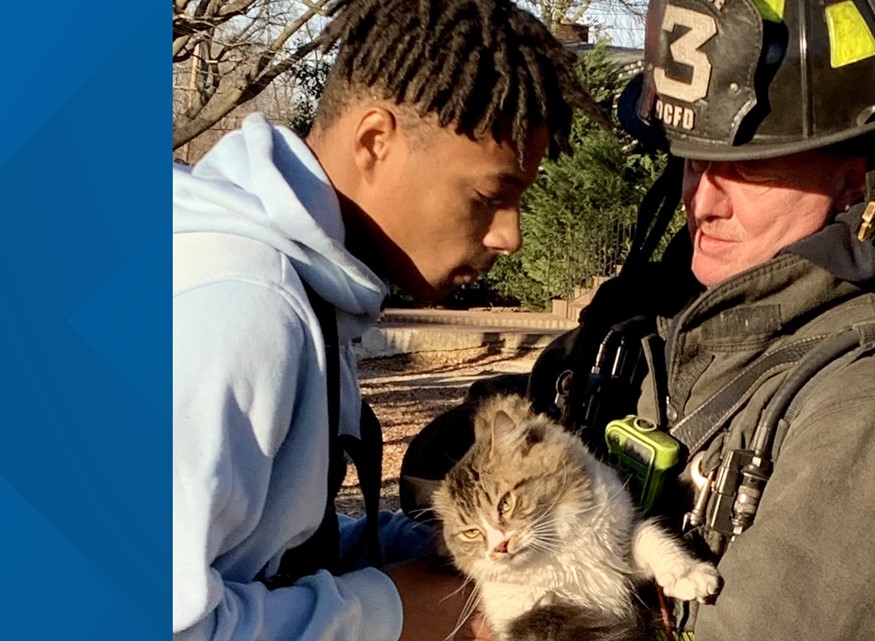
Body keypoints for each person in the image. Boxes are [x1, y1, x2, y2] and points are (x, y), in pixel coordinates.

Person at [172, 0, 600, 639]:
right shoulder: (241, 308)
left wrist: (433, 542)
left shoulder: (307, 284)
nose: (509, 236)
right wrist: (392, 612)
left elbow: (255, 550)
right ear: (376, 142)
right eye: (491, 196)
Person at [581, 0, 875, 638]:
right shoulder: (653, 316)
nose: (702, 202)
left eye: (747, 169)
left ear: (852, 181)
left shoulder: (867, 405)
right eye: (691, 161)